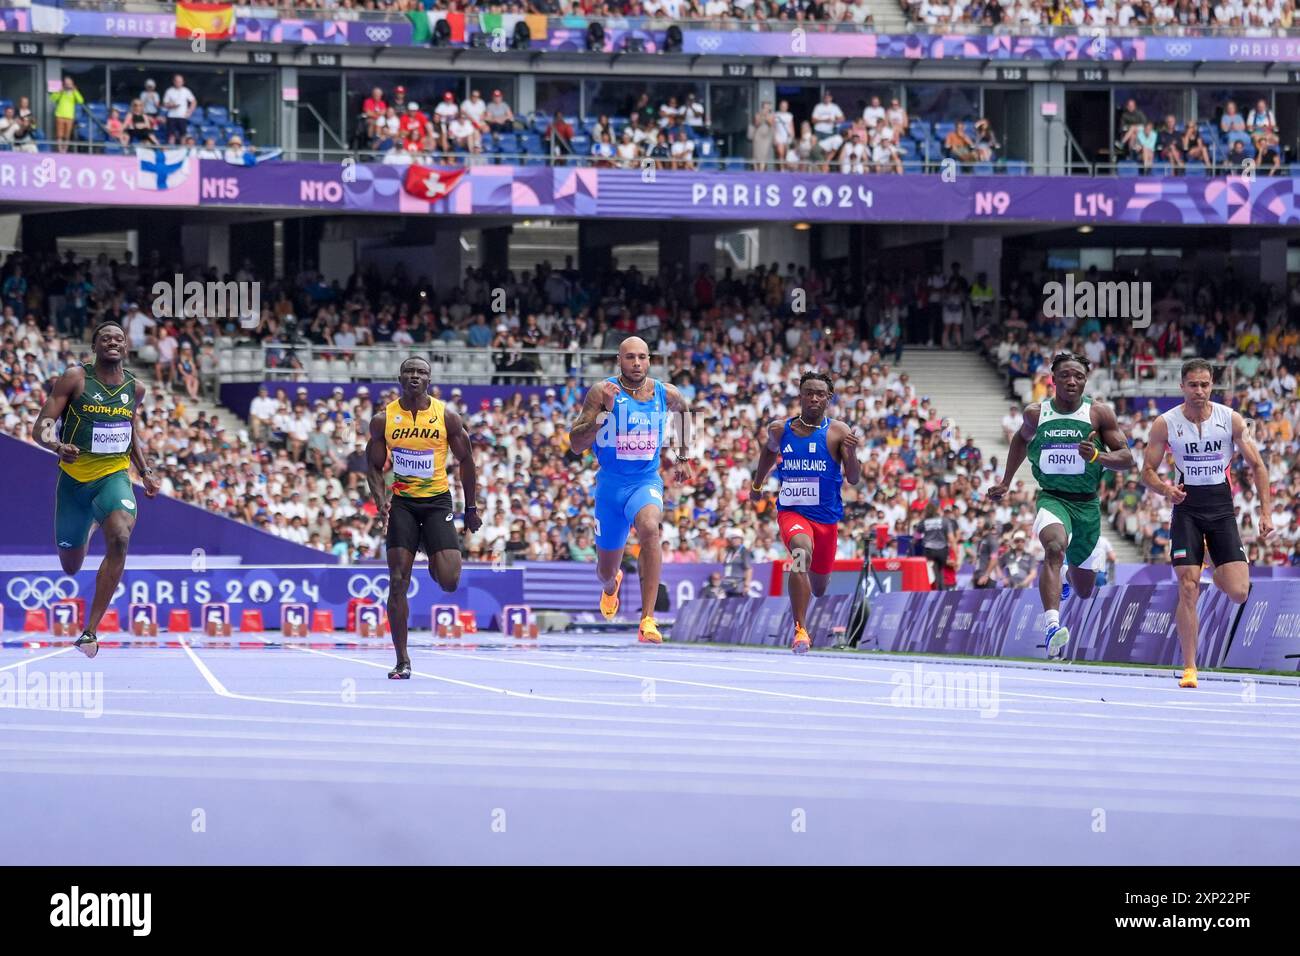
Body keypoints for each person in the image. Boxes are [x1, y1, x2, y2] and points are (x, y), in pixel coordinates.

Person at [988, 352, 1134, 659]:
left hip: (1087, 506)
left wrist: (1097, 456)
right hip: (1052, 498)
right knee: (1054, 547)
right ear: (1053, 379)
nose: (1072, 381)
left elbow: (1127, 459)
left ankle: (1068, 577)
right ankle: (1053, 626)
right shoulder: (1035, 413)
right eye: (1065, 375)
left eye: (1078, 376)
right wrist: (1006, 481)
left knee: (1084, 589)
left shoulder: (1098, 414)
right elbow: (1019, 441)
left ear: (1085, 381)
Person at [30, 321, 161, 657]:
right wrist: (58, 446)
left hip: (114, 475)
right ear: (95, 346)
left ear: (126, 347)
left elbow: (128, 430)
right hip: (74, 483)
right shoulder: (75, 378)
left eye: (119, 338)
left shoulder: (136, 388)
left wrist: (144, 471)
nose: (113, 342)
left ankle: (90, 631)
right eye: (106, 338)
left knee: (119, 535)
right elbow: (39, 428)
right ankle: (87, 525)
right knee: (71, 565)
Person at [1141, 358, 1273, 688]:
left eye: (1205, 384)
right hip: (1186, 508)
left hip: (1220, 508)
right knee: (1188, 586)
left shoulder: (1230, 420)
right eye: (1193, 385)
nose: (1199, 391)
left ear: (1212, 385)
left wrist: (1265, 512)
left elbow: (1257, 466)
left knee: (1239, 592)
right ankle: (1190, 668)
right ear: (1182, 387)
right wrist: (1164, 489)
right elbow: (1147, 471)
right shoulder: (1165, 424)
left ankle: (1211, 557)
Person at [567, 336, 695, 645]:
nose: (636, 363)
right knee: (604, 571)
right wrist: (605, 414)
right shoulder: (602, 391)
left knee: (650, 528)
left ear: (650, 360)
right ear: (619, 360)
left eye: (642, 357)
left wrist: (683, 456)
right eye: (630, 358)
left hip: (645, 482)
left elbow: (686, 412)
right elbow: (575, 444)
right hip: (610, 488)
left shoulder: (666, 393)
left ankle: (647, 620)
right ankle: (612, 586)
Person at [366, 357, 481, 679]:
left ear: (429, 379)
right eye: (409, 372)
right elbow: (372, 463)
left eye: (421, 373)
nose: (415, 376)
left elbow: (466, 461)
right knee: (398, 582)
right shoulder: (384, 419)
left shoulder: (446, 416)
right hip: (402, 504)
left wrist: (471, 508)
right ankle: (402, 659)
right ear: (400, 377)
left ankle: (431, 554)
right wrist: (380, 498)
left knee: (449, 581)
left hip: (437, 504)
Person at [750, 370, 862, 653]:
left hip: (826, 519)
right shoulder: (780, 429)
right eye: (808, 392)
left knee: (820, 585)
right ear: (800, 396)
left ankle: (809, 602)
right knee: (800, 552)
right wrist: (757, 483)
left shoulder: (838, 431)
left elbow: (854, 478)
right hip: (793, 512)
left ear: (828, 399)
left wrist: (850, 453)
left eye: (820, 394)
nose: (814, 397)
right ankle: (800, 630)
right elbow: (767, 452)